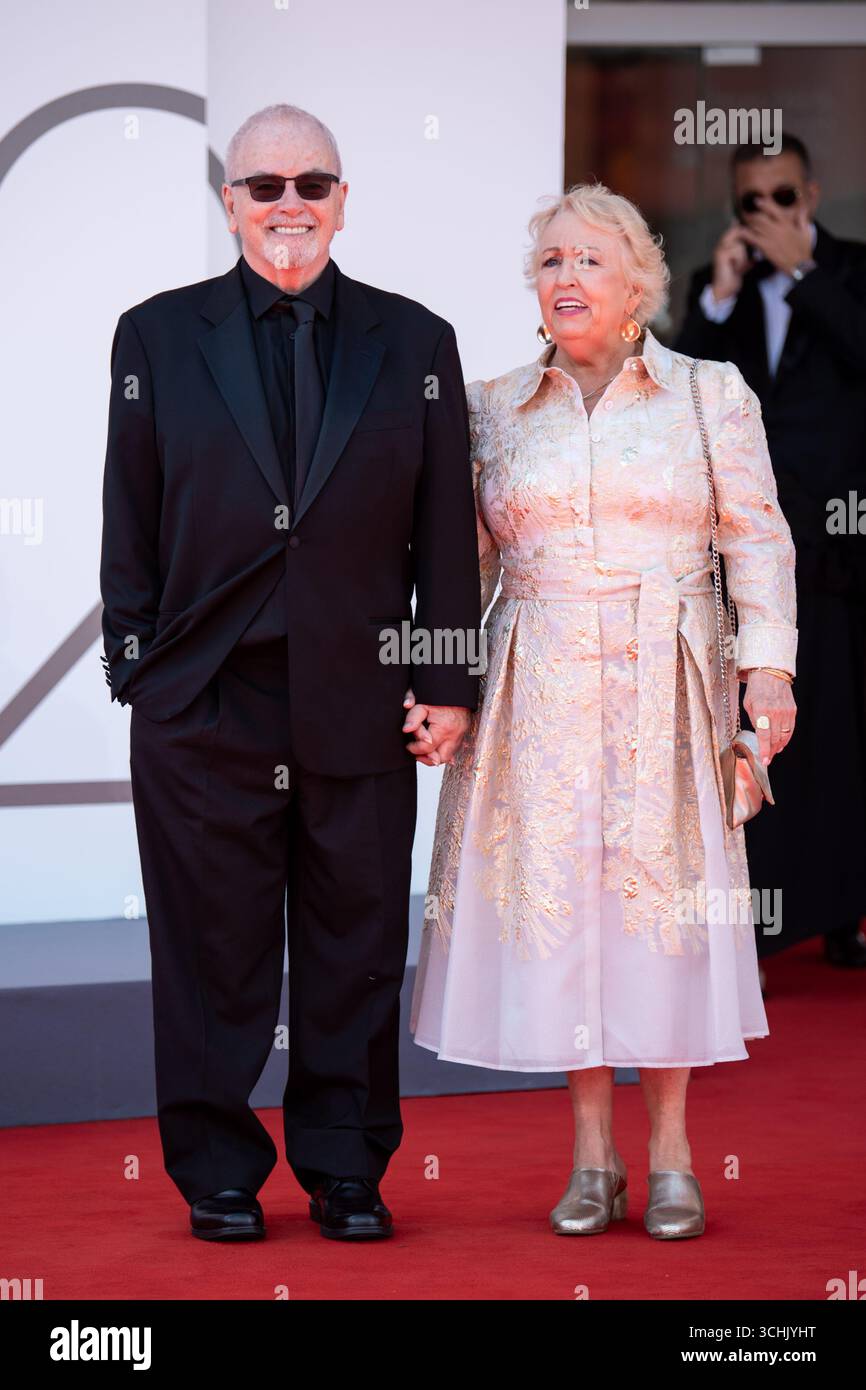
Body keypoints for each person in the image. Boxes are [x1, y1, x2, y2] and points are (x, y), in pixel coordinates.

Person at [99, 103, 480, 1242]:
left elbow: (443, 529)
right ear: (228, 203)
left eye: (311, 183)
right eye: (263, 185)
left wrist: (448, 678)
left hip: (361, 693)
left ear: (343, 200)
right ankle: (217, 1168)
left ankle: (345, 1167)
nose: (288, 204)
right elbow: (129, 516)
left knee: (355, 940)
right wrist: (137, 668)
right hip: (204, 697)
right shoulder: (156, 337)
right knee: (210, 945)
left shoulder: (412, 341)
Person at [408, 183, 797, 1239]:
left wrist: (766, 670)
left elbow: (755, 538)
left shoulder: (707, 394)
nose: (565, 278)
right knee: (561, 919)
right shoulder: (488, 405)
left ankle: (669, 1152)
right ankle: (591, 1157)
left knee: (659, 915)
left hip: (667, 675)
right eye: (548, 263)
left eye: (587, 259)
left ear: (636, 284)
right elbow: (459, 563)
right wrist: (436, 678)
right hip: (534, 683)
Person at [676, 133, 866, 970]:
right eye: (752, 201)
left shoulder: (853, 271)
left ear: (812, 195)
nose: (768, 216)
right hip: (748, 554)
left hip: (842, 546)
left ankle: (846, 913)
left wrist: (806, 275)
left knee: (841, 736)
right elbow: (681, 395)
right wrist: (718, 300)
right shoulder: (721, 289)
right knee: (758, 729)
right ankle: (761, 921)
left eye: (782, 198)